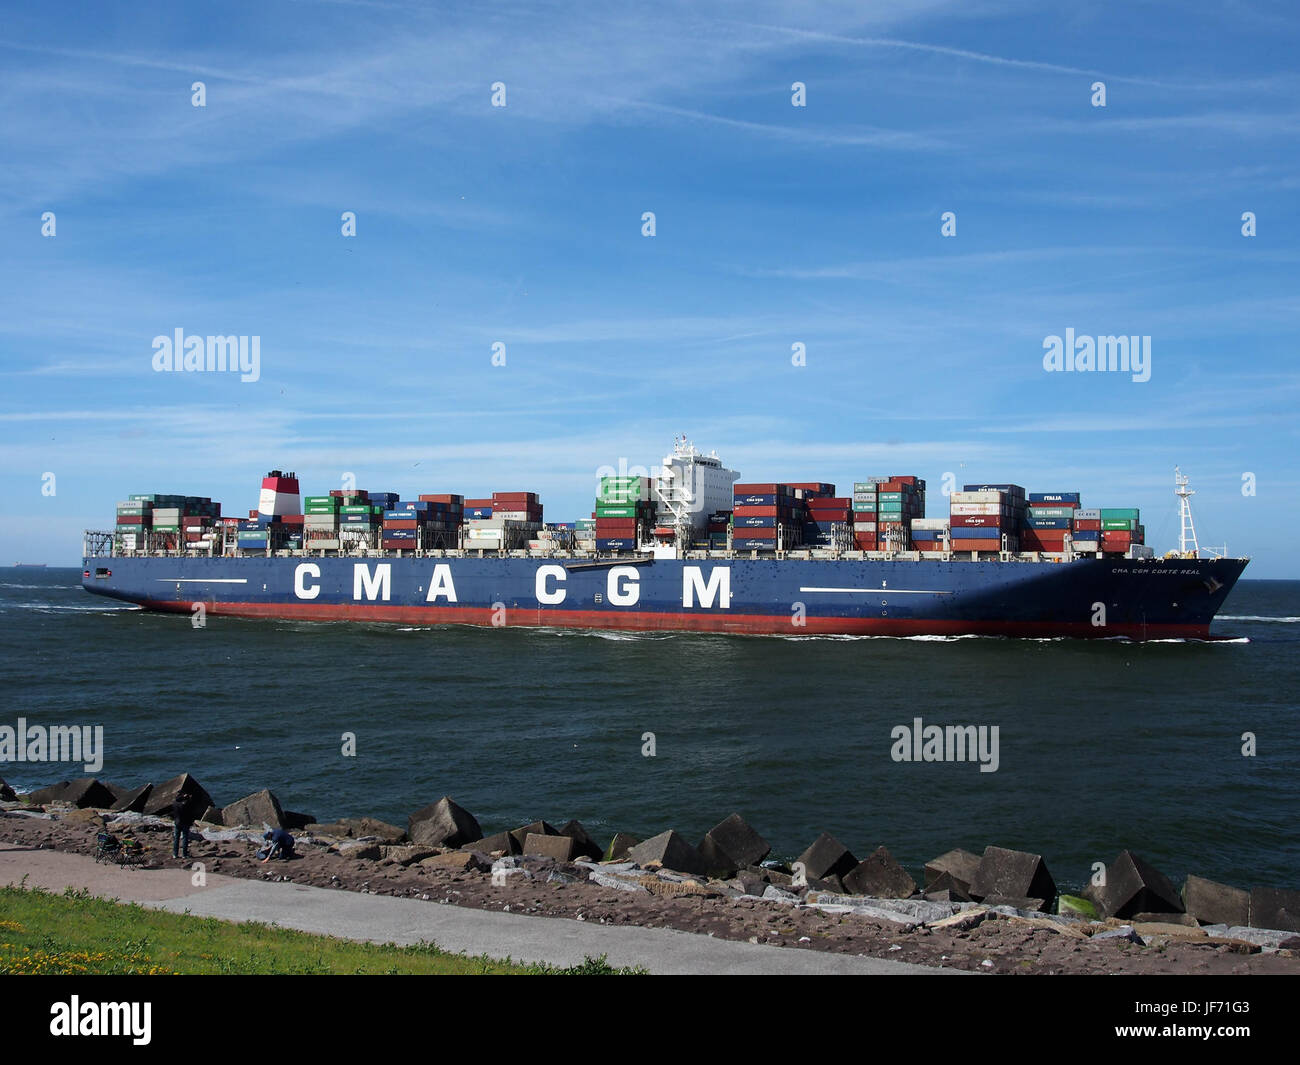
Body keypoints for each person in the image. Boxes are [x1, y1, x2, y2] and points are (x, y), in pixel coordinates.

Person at [171, 789, 195, 859]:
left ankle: (175, 854)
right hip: (185, 822)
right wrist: (188, 798)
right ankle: (184, 854)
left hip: (177, 822)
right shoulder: (186, 803)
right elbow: (191, 810)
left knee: (176, 838)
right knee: (185, 837)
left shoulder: (175, 802)